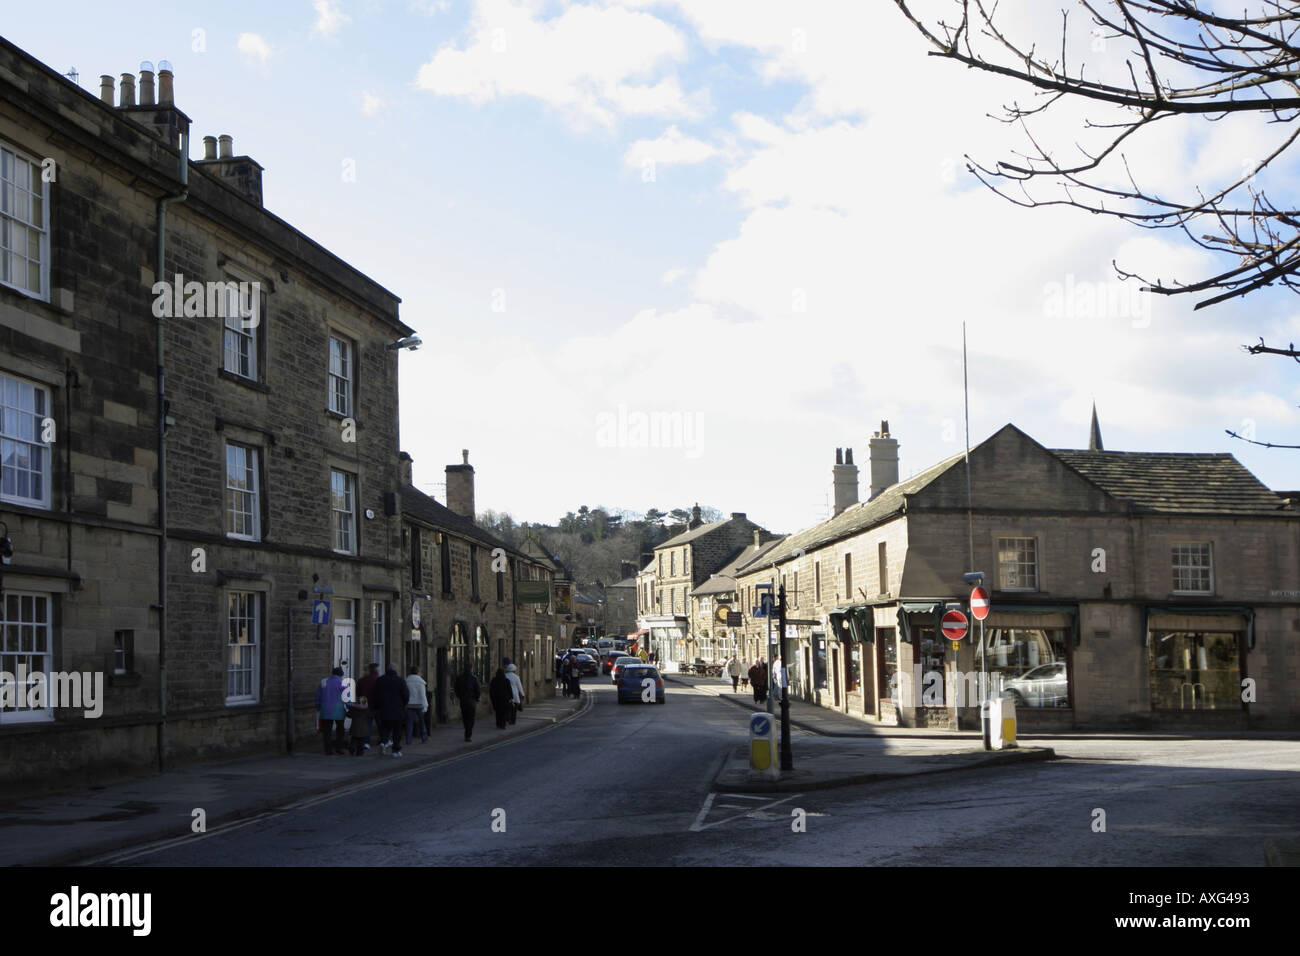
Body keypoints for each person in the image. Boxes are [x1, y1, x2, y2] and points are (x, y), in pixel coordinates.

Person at [371, 665, 410, 756]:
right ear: (395, 670)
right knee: (397, 730)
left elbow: (375, 695)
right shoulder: (400, 680)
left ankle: (383, 743)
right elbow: (406, 695)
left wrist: (377, 706)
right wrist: (403, 705)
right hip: (398, 709)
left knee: (385, 728)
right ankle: (395, 750)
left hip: (384, 709)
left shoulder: (380, 680)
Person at [316, 667, 349, 755]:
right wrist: (350, 706)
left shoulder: (323, 682)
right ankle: (339, 747)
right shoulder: (342, 683)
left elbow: (318, 696)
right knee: (340, 729)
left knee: (327, 731)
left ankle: (328, 750)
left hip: (325, 710)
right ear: (341, 674)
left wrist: (318, 706)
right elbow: (347, 697)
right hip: (338, 710)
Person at [356, 662, 380, 751]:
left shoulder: (362, 680)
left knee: (366, 724)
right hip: (376, 703)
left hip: (364, 702)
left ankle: (366, 742)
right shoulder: (378, 679)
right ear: (376, 670)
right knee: (380, 723)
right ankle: (383, 740)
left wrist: (360, 703)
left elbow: (358, 693)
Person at [453, 664, 480, 742]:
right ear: (471, 669)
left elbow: (456, 688)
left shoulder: (459, 678)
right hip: (471, 700)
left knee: (465, 717)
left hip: (463, 701)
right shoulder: (474, 678)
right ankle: (468, 734)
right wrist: (477, 698)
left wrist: (459, 696)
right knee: (471, 718)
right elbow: (477, 690)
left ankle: (467, 731)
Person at [405, 669, 429, 744]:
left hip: (409, 704)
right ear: (418, 672)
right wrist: (425, 705)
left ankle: (408, 739)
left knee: (409, 722)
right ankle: (424, 737)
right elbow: (422, 695)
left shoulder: (406, 681)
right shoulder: (420, 682)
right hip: (419, 704)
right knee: (422, 722)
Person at [504, 660, 524, 724]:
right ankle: (513, 720)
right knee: (514, 709)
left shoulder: (505, 676)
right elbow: (519, 686)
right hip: (514, 694)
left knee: (507, 708)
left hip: (507, 695)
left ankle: (507, 718)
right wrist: (522, 694)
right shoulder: (516, 677)